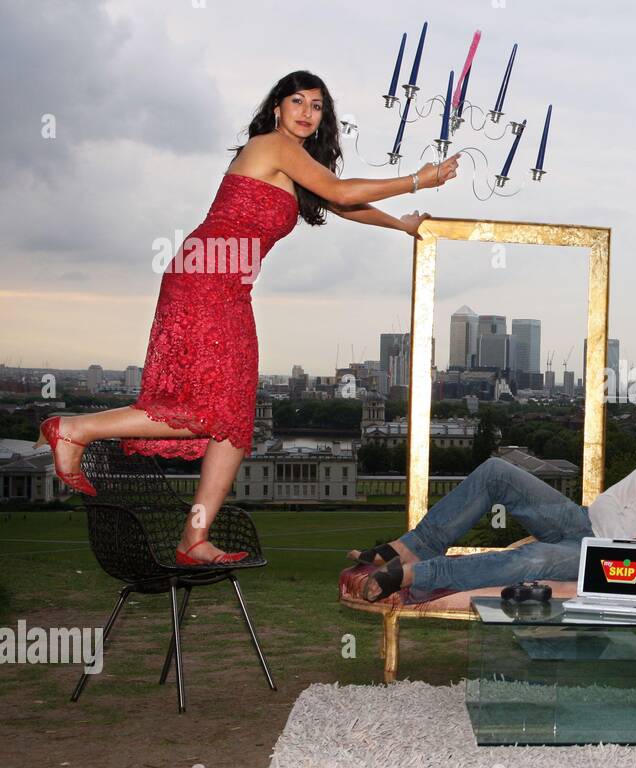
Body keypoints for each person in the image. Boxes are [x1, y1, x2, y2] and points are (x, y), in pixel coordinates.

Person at [34, 70, 461, 566]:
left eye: (317, 105)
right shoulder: (271, 146)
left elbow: (342, 203)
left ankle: (194, 537)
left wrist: (399, 223)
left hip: (225, 284)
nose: (306, 111)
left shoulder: (294, 164)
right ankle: (74, 428)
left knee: (232, 421)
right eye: (296, 100)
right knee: (206, 412)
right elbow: (341, 192)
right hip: (207, 278)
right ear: (277, 108)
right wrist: (418, 179)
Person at [349, 420, 636, 603]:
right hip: (587, 522)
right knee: (496, 473)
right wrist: (621, 533)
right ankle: (414, 545)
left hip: (613, 560)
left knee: (535, 556)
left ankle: (421, 574)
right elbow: (606, 503)